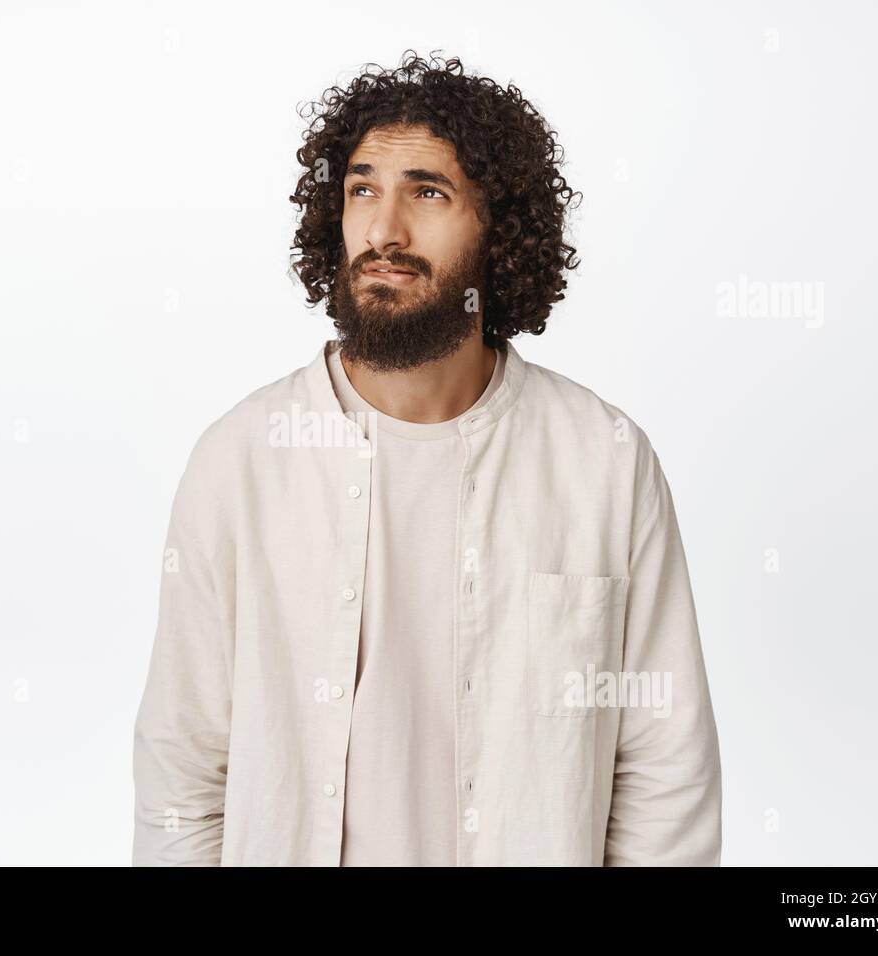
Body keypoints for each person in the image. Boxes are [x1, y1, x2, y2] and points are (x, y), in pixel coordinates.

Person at [132, 51, 721, 866]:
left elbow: (665, 774)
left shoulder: (603, 463)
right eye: (363, 189)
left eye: (428, 193)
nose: (384, 231)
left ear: (501, 229)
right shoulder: (239, 461)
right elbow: (185, 768)